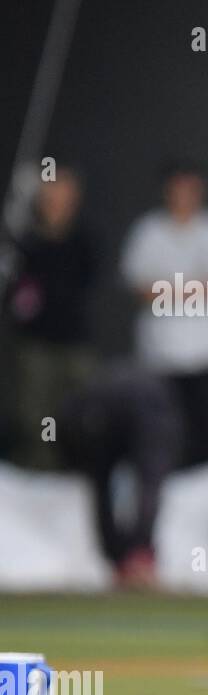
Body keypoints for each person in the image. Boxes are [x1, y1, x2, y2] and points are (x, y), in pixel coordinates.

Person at [120, 159, 208, 468]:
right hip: (160, 353)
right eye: (178, 188)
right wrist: (193, 286)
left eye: (191, 188)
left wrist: (169, 289)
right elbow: (141, 289)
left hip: (206, 353)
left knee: (206, 435)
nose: (184, 195)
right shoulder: (148, 231)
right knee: (160, 432)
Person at [56, 363, 184, 588]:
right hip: (105, 412)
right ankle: (129, 560)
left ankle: (135, 557)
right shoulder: (91, 413)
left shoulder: (150, 414)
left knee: (138, 484)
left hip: (116, 410)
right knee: (135, 484)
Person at [5, 168, 99, 470]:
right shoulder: (25, 243)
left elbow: (84, 280)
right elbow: (16, 291)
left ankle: (76, 467)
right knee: (38, 414)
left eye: (64, 197)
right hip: (37, 344)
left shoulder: (83, 241)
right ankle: (41, 465)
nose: (58, 203)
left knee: (82, 411)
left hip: (74, 342)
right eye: (51, 197)